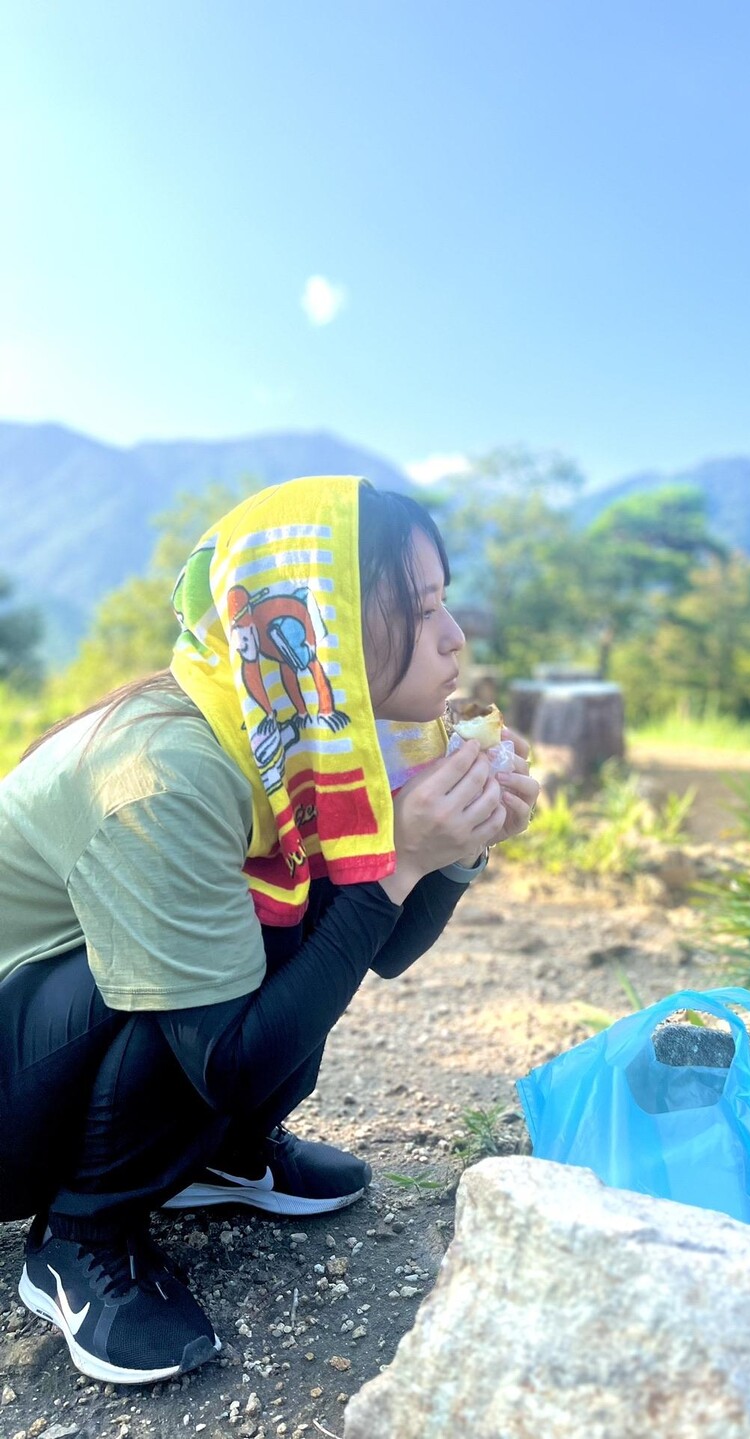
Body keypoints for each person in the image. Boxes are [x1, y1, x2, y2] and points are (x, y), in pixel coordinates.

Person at [0, 476, 539, 1386]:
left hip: (60, 1044)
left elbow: (385, 950)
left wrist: (452, 851)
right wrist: (399, 860)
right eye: (420, 609)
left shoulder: (296, 735)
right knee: (224, 960)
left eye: (447, 602)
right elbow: (233, 1057)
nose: (454, 638)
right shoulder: (163, 774)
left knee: (287, 924)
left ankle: (221, 1156)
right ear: (316, 625)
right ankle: (83, 1233)